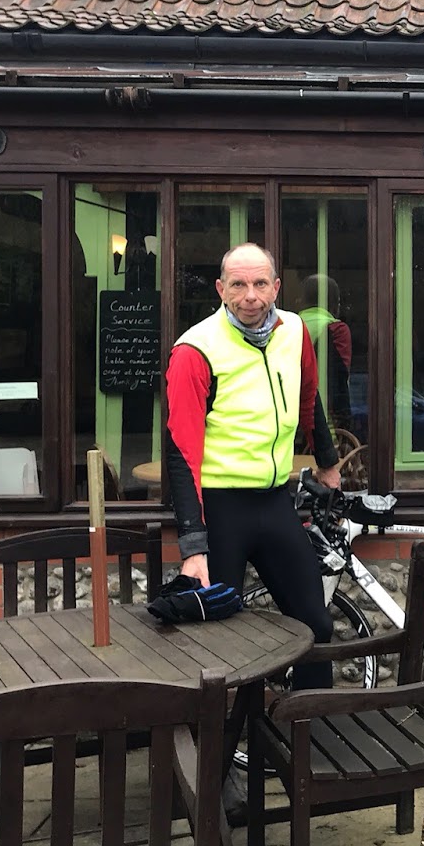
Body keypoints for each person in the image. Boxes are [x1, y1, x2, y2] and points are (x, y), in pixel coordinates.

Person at [163, 242, 341, 689]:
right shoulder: (194, 349)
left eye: (261, 284)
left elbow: (308, 398)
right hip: (222, 509)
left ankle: (307, 736)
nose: (250, 296)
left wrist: (328, 461)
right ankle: (216, 749)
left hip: (274, 502)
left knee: (315, 625)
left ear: (276, 287)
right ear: (221, 289)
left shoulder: (295, 330)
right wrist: (193, 545)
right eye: (238, 285)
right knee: (217, 643)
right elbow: (181, 450)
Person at [297, 273, 353, 430]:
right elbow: (341, 376)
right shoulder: (337, 330)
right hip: (324, 413)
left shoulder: (289, 326)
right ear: (334, 303)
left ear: (303, 300)